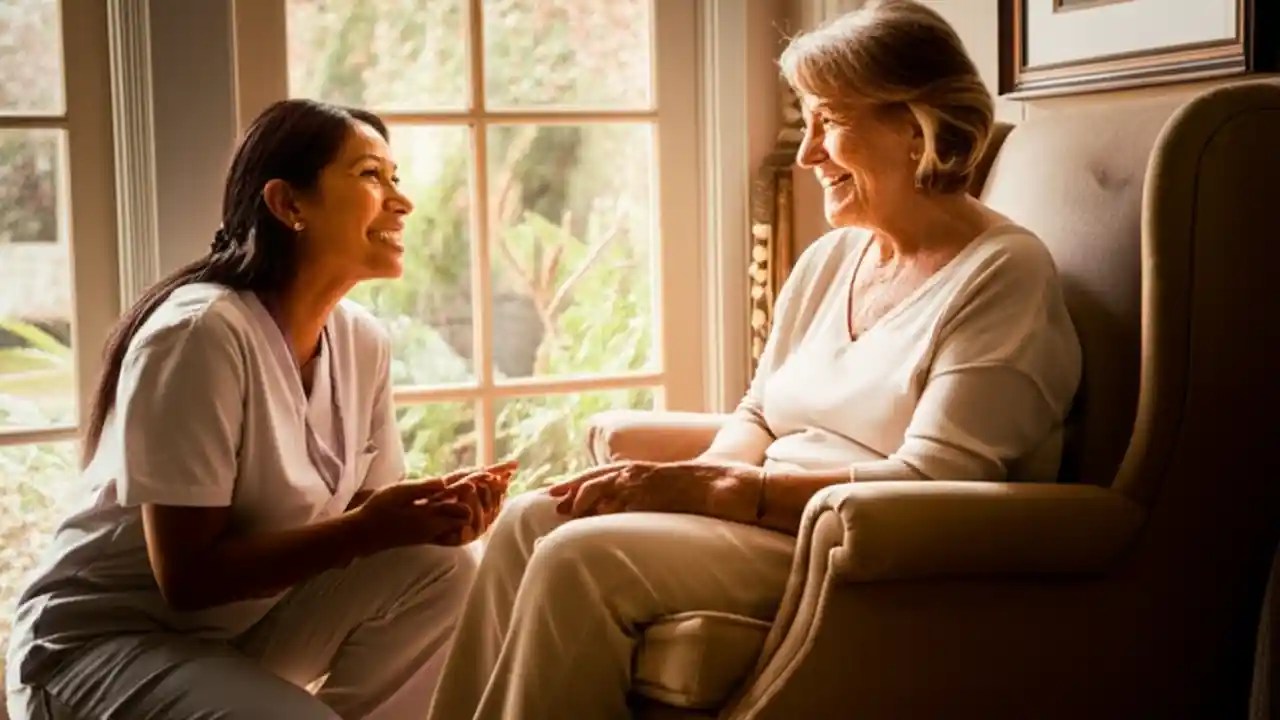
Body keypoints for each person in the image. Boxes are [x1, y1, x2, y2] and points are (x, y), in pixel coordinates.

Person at [425, 1, 1084, 718]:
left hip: (854, 547)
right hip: (761, 514)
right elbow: (759, 413)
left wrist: (724, 491)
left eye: (829, 121)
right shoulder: (833, 258)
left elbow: (935, 482)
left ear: (915, 123)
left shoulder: (1004, 274)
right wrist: (694, 477)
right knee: (530, 519)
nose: (807, 155)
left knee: (578, 560)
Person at [4, 99, 510, 720]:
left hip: (240, 634)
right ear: (288, 204)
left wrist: (433, 518)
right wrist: (376, 526)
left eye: (395, 179)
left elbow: (365, 525)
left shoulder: (361, 341)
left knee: (445, 566)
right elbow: (188, 580)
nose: (400, 202)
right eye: (370, 176)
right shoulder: (200, 335)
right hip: (102, 647)